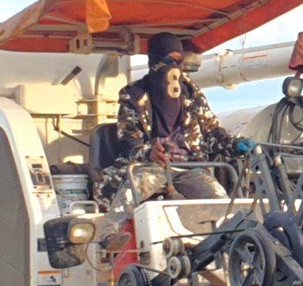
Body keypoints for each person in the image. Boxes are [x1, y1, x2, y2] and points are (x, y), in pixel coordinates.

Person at [98, 32, 255, 212]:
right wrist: (149, 152)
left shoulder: (192, 94)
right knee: (124, 204)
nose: (173, 68)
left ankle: (227, 238)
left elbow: (212, 132)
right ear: (154, 62)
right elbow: (127, 141)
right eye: (167, 61)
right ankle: (110, 237)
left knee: (221, 204)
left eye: (179, 61)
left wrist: (235, 144)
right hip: (150, 167)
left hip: (190, 168)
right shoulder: (134, 95)